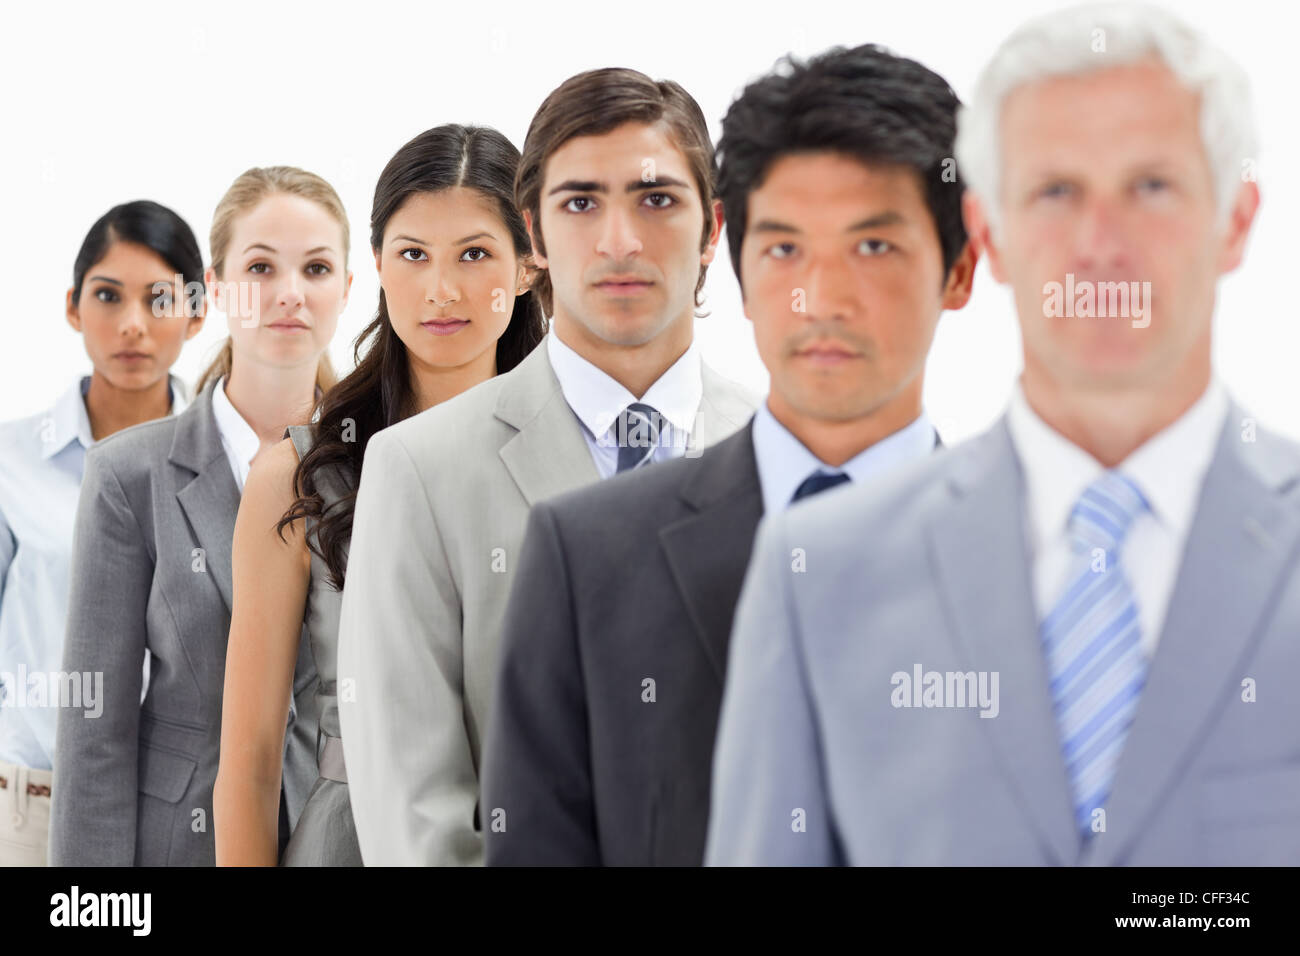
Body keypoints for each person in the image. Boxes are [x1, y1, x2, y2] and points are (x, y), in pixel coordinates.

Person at [706, 2, 1286, 866]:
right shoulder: (819, 574)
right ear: (990, 235)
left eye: (1151, 187)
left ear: (1234, 221)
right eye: (1055, 191)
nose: (1100, 244)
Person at [480, 43, 975, 866]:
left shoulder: (1046, 554)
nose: (824, 297)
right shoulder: (586, 554)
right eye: (784, 248)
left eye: (873, 246)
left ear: (959, 268)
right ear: (735, 259)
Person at [337, 67, 759, 865]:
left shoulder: (780, 451)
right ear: (533, 234)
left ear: (714, 228)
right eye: (581, 203)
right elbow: (413, 812)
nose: (619, 241)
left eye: (657, 199)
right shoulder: (419, 470)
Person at [214, 125, 546, 866]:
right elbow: (252, 759)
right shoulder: (299, 475)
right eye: (413, 254)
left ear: (528, 265)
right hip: (347, 840)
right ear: (377, 266)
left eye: (475, 254)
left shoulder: (575, 458)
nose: (441, 289)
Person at [50, 166, 350, 865]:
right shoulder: (129, 476)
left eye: (315, 268)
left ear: (347, 290)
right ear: (215, 289)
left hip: (342, 837)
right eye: (260, 267)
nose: (289, 294)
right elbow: (96, 726)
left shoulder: (380, 465)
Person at [0, 201, 198, 866]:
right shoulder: (11, 464)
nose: (133, 325)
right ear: (72, 307)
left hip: (184, 813)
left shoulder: (233, 461)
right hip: (31, 812)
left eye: (160, 298)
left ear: (197, 312)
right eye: (108, 296)